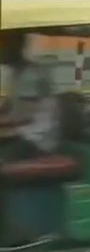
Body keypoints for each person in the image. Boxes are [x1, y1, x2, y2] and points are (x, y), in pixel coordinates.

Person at [0, 32, 59, 162]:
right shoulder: (16, 72)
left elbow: (21, 117)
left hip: (36, 139)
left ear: (14, 46)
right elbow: (7, 106)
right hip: (21, 133)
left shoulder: (31, 75)